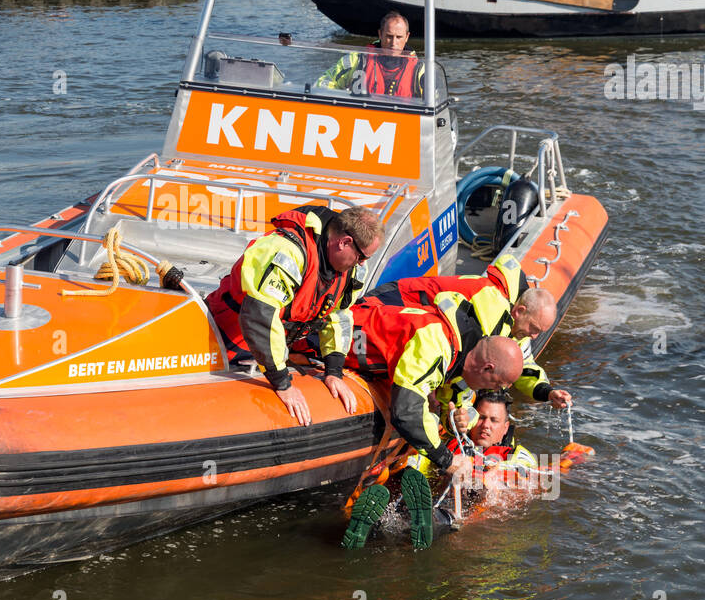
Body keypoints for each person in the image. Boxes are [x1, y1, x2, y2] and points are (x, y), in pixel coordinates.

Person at [338, 303, 524, 548]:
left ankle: (380, 520)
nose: (486, 425)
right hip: (336, 345)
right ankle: (386, 519)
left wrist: (462, 422)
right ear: (487, 368)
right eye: (496, 384)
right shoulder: (438, 344)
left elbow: (456, 404)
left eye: (494, 420)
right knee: (409, 446)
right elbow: (407, 413)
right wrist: (446, 460)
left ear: (506, 427)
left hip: (373, 364)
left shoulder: (461, 358)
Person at [206, 206, 385, 427]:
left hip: (274, 347)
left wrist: (334, 371)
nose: (362, 263)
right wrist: (282, 383)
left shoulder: (349, 271)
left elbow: (339, 315)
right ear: (344, 242)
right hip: (224, 340)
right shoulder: (286, 251)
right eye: (361, 257)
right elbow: (259, 316)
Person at [363, 254, 573, 408]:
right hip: (387, 303)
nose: (534, 336)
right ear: (519, 311)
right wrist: (446, 402)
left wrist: (547, 392)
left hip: (407, 315)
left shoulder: (515, 325)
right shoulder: (490, 309)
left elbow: (523, 363)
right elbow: (466, 363)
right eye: (534, 329)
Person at [316, 11, 425, 99]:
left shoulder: (418, 70)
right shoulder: (358, 60)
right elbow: (325, 82)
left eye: (399, 37)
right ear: (380, 34)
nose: (393, 43)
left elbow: (431, 101)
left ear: (407, 37)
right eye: (389, 36)